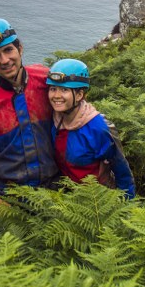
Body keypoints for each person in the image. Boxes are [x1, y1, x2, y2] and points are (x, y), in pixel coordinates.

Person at [0, 18, 60, 204]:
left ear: (20, 48)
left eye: (8, 50)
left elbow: (75, 113)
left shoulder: (46, 81)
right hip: (11, 196)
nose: (5, 60)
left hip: (57, 185)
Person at [47, 58, 135, 199]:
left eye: (64, 90)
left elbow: (121, 169)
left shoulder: (99, 128)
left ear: (80, 95)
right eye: (53, 89)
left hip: (98, 199)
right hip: (69, 196)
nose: (56, 95)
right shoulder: (54, 119)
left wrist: (128, 204)